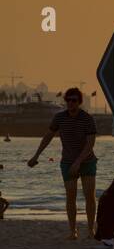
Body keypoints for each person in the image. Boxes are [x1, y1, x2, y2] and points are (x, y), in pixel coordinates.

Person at [27, 87, 97, 240]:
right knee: (70, 195)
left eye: (74, 100)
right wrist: (36, 156)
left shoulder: (87, 118)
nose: (71, 103)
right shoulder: (59, 118)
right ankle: (73, 231)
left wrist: (78, 162)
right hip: (67, 161)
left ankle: (91, 230)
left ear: (79, 102)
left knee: (89, 195)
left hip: (87, 161)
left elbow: (90, 143)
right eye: (68, 100)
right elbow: (48, 136)